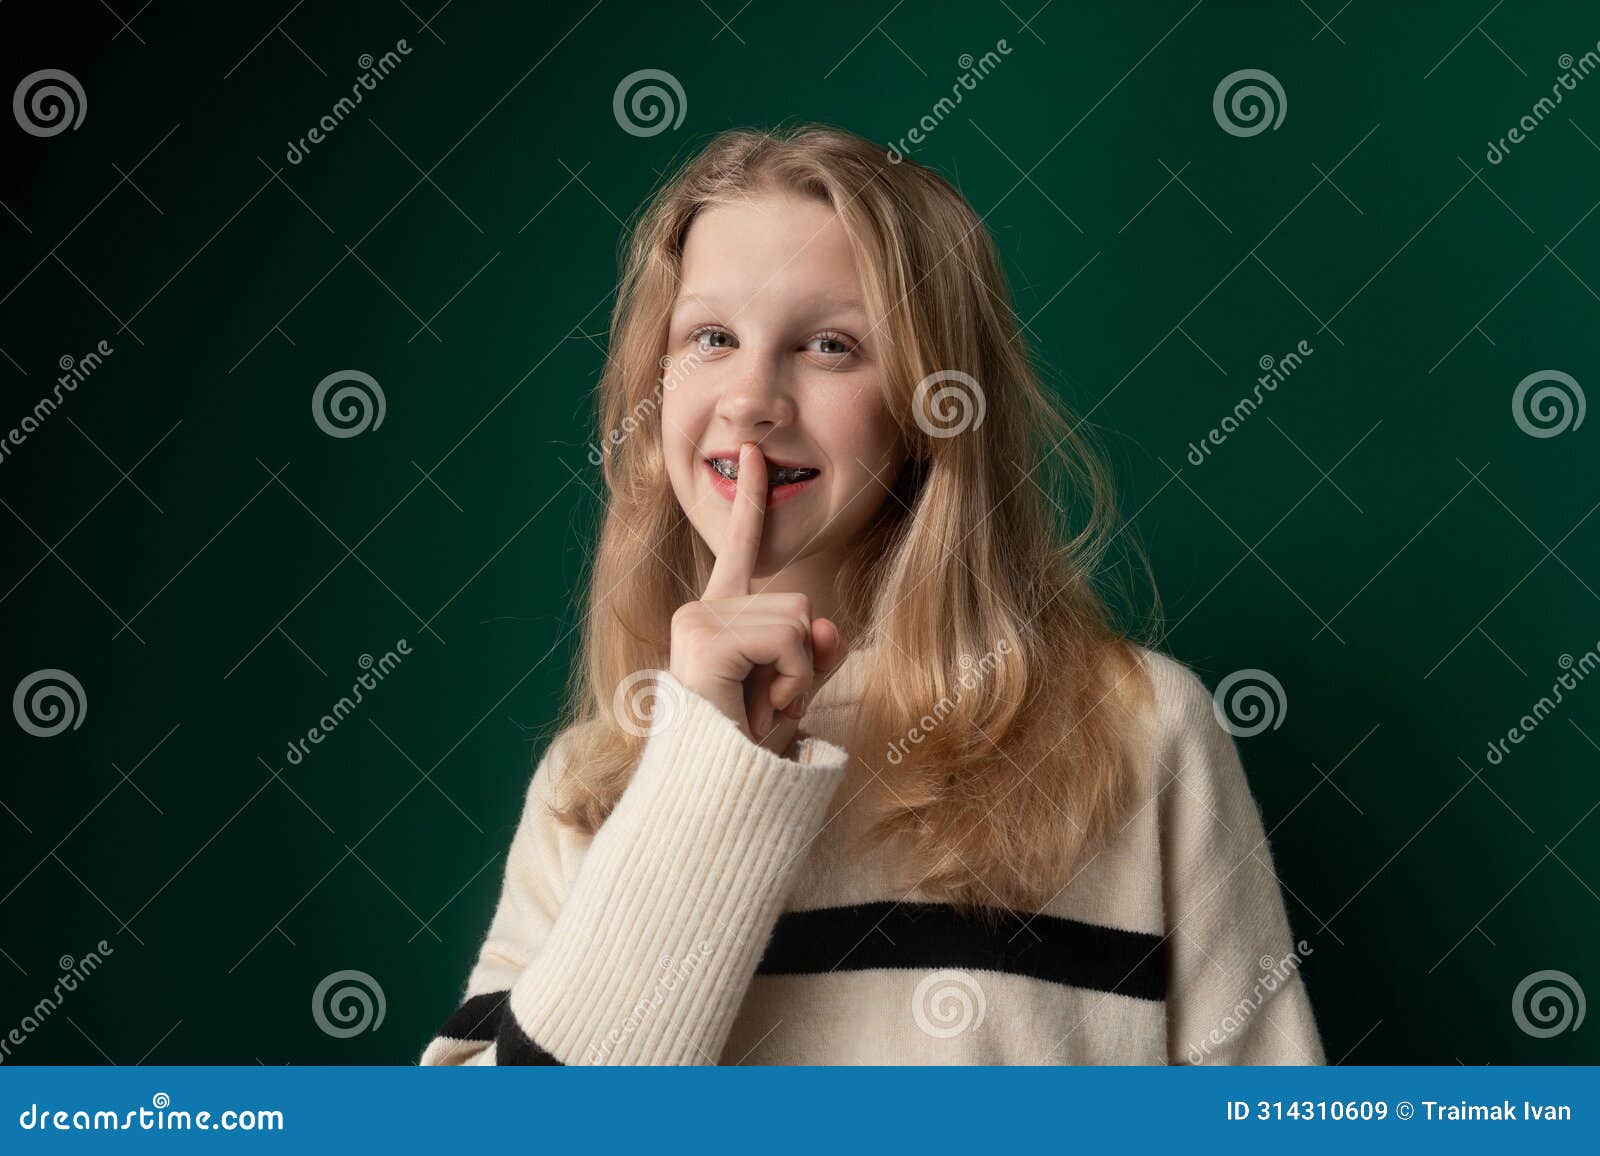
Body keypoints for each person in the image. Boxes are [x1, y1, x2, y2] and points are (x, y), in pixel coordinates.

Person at [419, 123, 1325, 1066]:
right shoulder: (589, 784)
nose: (752, 398)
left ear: (934, 407)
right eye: (714, 337)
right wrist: (702, 771)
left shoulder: (1141, 729)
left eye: (830, 345)